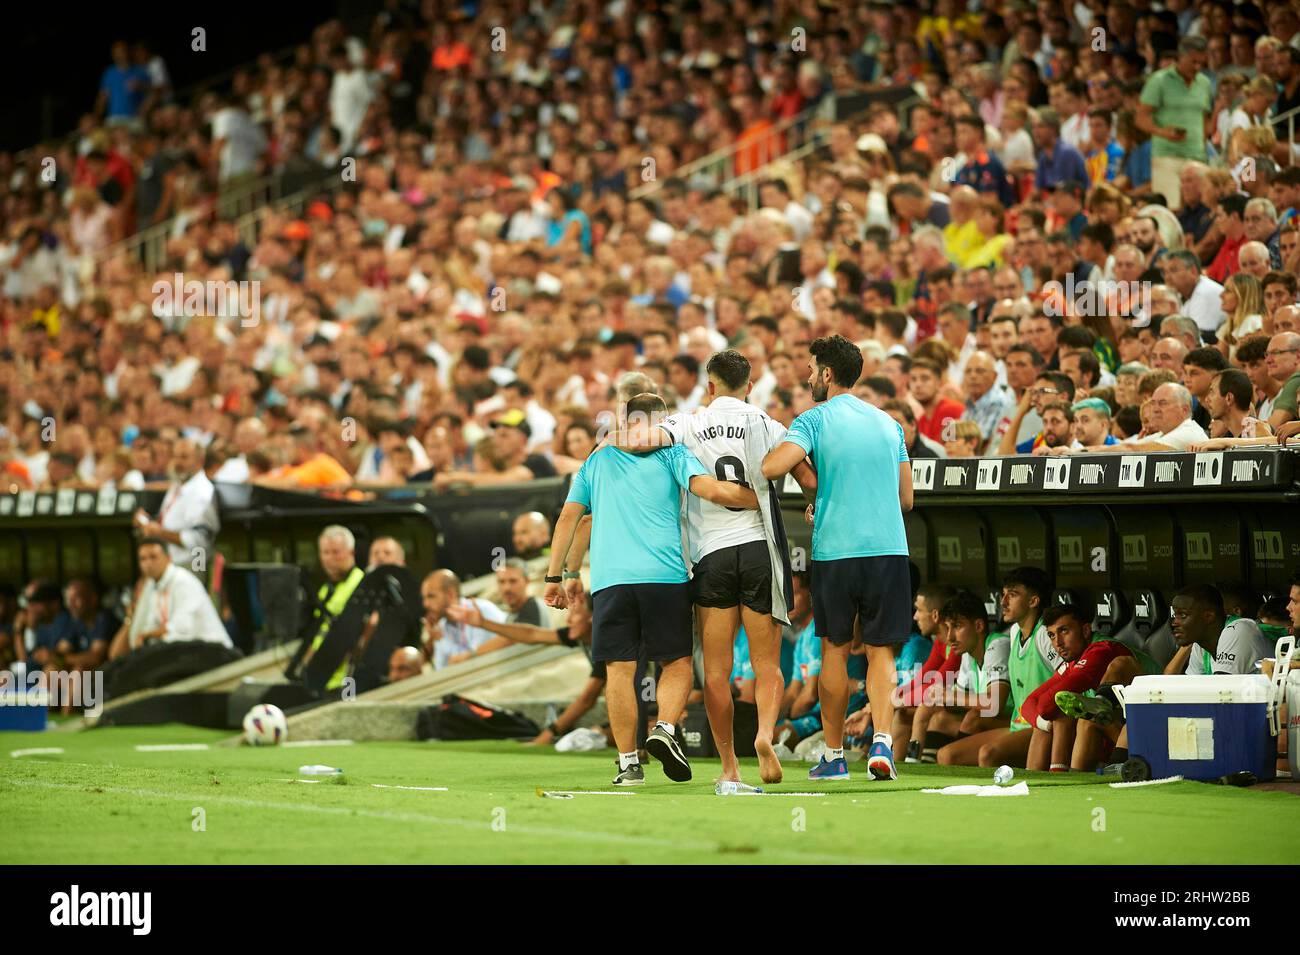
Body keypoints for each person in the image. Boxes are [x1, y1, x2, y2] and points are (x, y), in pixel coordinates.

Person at [608, 349, 815, 789]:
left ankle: (729, 768)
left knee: (717, 672)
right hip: (759, 548)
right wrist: (814, 503)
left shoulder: (687, 423)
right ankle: (764, 735)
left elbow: (636, 440)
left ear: (709, 385)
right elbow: (808, 477)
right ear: (750, 386)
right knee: (767, 663)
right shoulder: (768, 424)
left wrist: (612, 439)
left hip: (711, 555)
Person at [545, 390, 760, 786]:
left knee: (619, 670)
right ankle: (664, 727)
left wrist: (556, 576)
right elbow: (712, 490)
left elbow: (569, 518)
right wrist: (762, 499)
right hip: (665, 577)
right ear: (658, 421)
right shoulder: (673, 453)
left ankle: (629, 764)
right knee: (676, 663)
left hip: (610, 582)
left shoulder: (596, 459)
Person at [762, 334, 913, 782]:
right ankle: (882, 743)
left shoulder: (813, 419)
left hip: (838, 551)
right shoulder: (890, 424)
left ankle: (834, 756)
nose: (809, 377)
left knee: (835, 648)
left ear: (827, 374)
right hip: (888, 549)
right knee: (881, 651)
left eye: (811, 370)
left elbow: (772, 467)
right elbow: (906, 500)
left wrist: (815, 486)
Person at [1022, 603, 1141, 773]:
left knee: (1076, 715)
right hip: (1110, 736)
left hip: (1142, 736)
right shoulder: (1072, 661)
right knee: (1053, 720)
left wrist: (1052, 719)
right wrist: (1048, 726)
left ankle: (1065, 778)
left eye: (1064, 631)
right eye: (1051, 635)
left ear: (1085, 630)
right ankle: (1034, 782)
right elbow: (1029, 703)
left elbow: (1046, 705)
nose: (1058, 643)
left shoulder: (1103, 649)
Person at [109, 538, 232, 658]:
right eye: (143, 559)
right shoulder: (152, 586)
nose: (148, 563)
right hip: (188, 655)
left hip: (216, 654)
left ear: (168, 558)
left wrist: (145, 636)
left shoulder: (183, 582)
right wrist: (132, 619)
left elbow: (181, 630)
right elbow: (142, 630)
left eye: (153, 557)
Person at [292, 525, 366, 689]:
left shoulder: (362, 585)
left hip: (346, 682)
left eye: (336, 552)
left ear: (351, 552)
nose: (330, 558)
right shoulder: (326, 590)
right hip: (321, 679)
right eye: (325, 552)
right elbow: (319, 633)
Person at [133, 438, 219, 570]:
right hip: (171, 564)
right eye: (175, 456)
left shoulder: (201, 492)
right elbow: (170, 524)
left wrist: (159, 532)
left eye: (184, 457)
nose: (178, 462)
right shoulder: (178, 485)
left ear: (200, 460)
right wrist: (148, 522)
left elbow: (200, 540)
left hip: (190, 566)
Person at [1165, 584, 1271, 677]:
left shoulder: (1239, 629)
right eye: (1175, 615)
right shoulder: (1200, 645)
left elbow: (1224, 690)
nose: (1174, 623)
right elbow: (1191, 687)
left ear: (1208, 616)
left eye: (1183, 615)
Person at [420, 569, 507, 668]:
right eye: (424, 598)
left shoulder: (481, 611)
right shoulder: (441, 626)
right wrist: (438, 639)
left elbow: (474, 664)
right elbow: (442, 670)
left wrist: (441, 639)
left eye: (431, 596)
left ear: (450, 594)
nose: (425, 604)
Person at [495, 558, 547, 625]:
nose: (506, 588)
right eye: (501, 582)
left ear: (527, 581)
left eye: (513, 581)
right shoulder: (511, 615)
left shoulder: (532, 607)